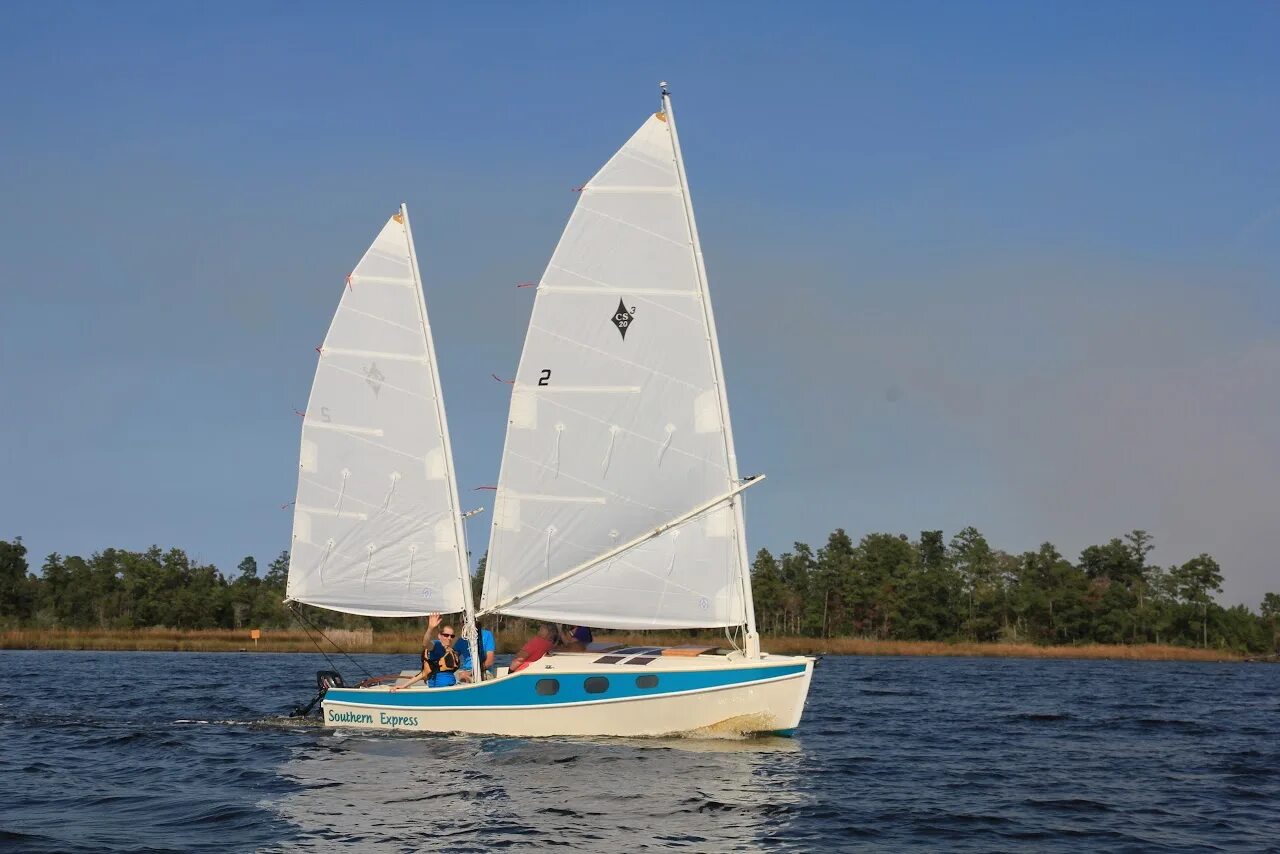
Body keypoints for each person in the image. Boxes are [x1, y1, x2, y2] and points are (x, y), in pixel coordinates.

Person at [391, 613, 462, 690]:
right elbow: (426, 643)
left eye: (452, 636)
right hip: (440, 689)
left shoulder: (451, 651)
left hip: (451, 686)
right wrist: (430, 628)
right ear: (439, 636)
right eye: (446, 635)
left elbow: (424, 673)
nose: (449, 638)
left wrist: (404, 685)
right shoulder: (437, 646)